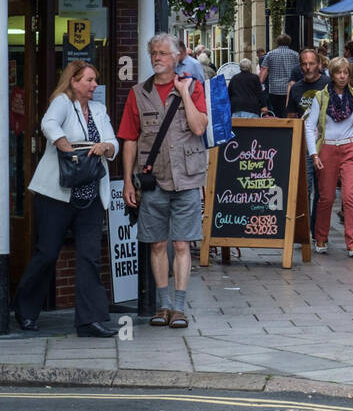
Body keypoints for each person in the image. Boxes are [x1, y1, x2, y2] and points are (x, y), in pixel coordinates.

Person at [14, 61, 119, 337]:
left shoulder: (99, 109)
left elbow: (113, 142)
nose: (95, 85)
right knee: (47, 253)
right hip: (57, 194)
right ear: (73, 81)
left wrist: (106, 147)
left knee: (89, 257)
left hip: (91, 195)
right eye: (89, 80)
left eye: (95, 80)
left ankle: (90, 321)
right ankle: (24, 310)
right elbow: (48, 124)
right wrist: (68, 149)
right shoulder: (62, 102)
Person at [119, 33, 208, 330]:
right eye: (153, 53)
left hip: (187, 179)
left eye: (163, 53)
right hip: (152, 180)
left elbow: (198, 126)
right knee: (157, 244)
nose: (157, 58)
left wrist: (183, 93)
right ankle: (163, 306)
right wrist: (128, 182)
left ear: (176, 57)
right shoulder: (138, 93)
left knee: (182, 245)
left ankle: (180, 308)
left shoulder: (193, 88)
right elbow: (129, 138)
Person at [305, 56, 353, 256]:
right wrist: (314, 154)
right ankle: (321, 238)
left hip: (350, 148)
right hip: (327, 148)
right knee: (326, 197)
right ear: (332, 75)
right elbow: (310, 126)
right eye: (339, 72)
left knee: (349, 196)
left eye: (346, 72)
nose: (343, 76)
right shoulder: (321, 97)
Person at [285, 48, 331, 236]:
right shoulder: (296, 88)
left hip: (326, 143)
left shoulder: (328, 84)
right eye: (304, 64)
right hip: (304, 145)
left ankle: (316, 228)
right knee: (306, 188)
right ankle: (304, 230)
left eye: (311, 63)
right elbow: (290, 116)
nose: (307, 67)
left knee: (324, 190)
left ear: (319, 64)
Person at [258, 33, 301, 117]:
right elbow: (299, 71)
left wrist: (258, 85)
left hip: (274, 89)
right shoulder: (295, 55)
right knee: (289, 112)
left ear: (277, 42)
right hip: (290, 89)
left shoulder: (270, 54)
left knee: (276, 112)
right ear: (289, 42)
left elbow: (264, 71)